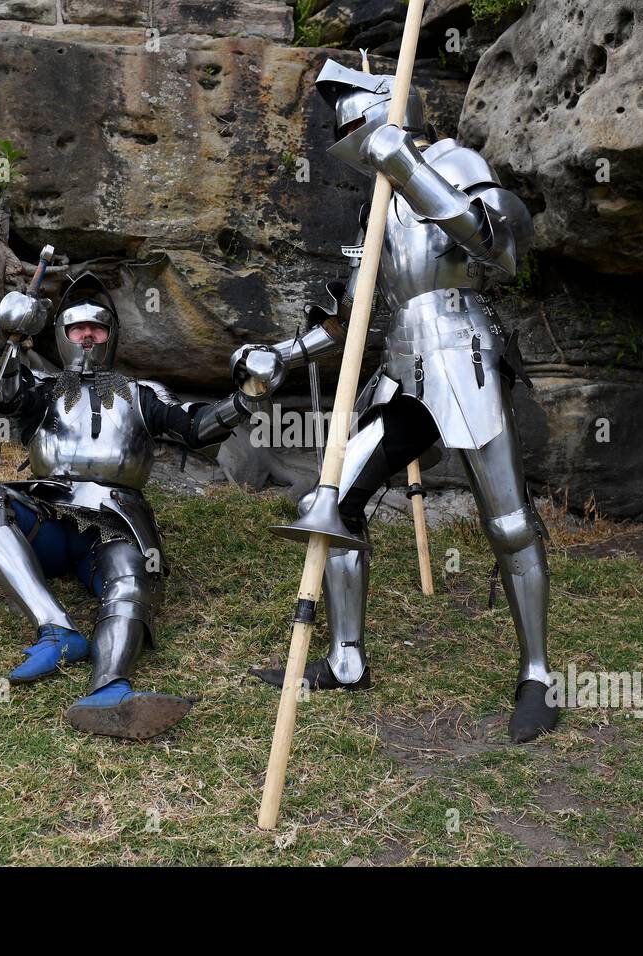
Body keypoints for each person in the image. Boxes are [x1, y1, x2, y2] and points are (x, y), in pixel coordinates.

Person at [245, 58, 558, 742]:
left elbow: (499, 245)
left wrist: (410, 170)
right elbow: (350, 318)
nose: (347, 128)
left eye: (354, 112)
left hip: (466, 357)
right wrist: (283, 355)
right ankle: (346, 659)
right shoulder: (374, 206)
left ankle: (538, 675)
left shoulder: (451, 159)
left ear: (393, 106)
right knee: (329, 504)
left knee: (507, 525)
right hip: (401, 371)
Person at [0, 272, 284, 739]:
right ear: (61, 337)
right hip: (46, 515)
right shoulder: (41, 389)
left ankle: (108, 689)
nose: (87, 336)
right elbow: (1, 392)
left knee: (129, 579)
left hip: (117, 518)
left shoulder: (142, 394)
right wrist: (6, 336)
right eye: (76, 328)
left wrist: (248, 397)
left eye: (98, 328)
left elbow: (197, 427)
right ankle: (57, 630)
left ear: (112, 335)